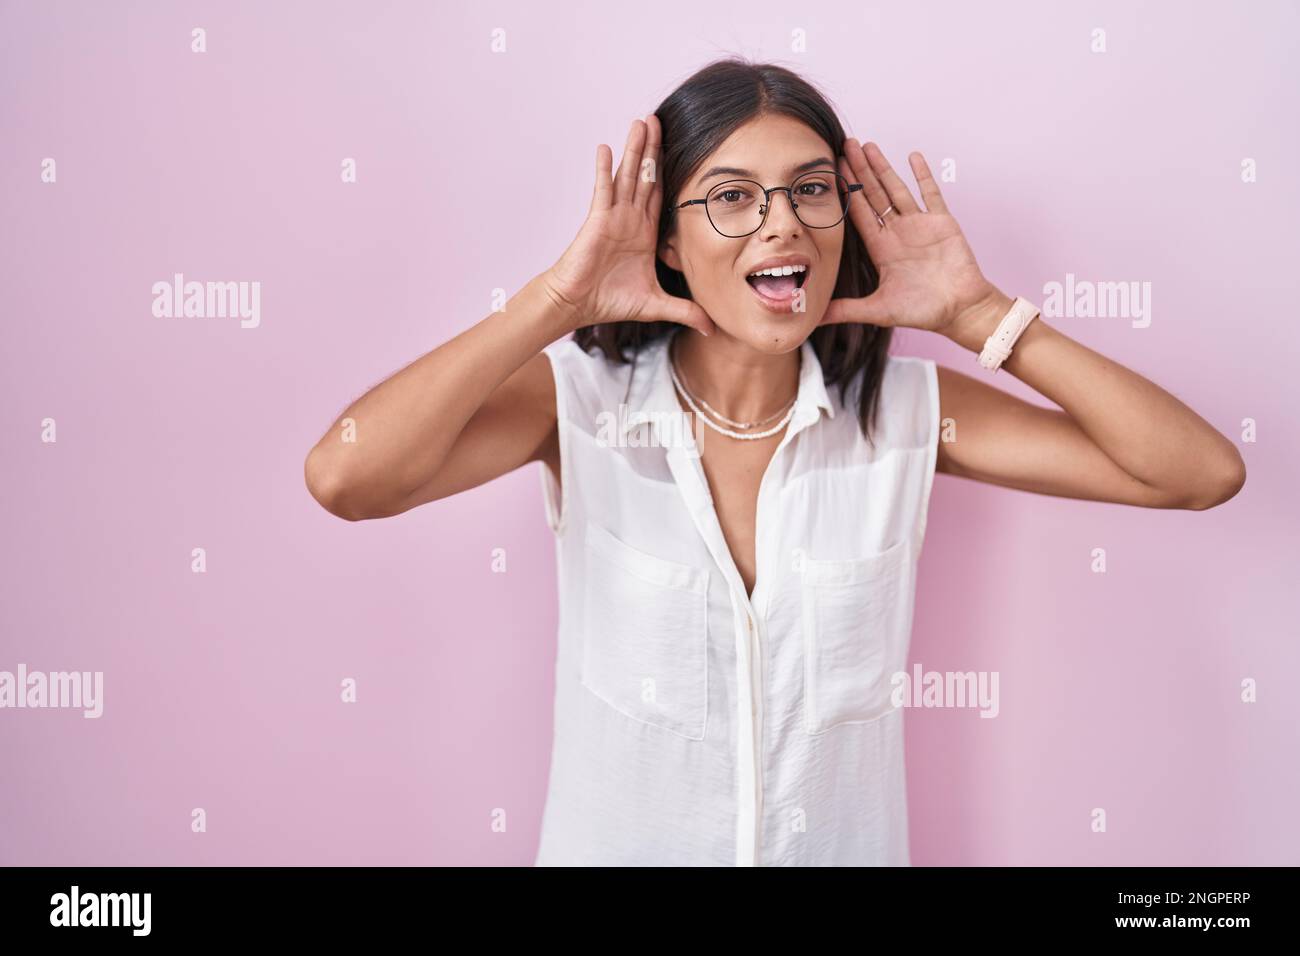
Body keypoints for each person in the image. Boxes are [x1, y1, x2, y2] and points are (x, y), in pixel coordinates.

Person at [303, 59, 1245, 866]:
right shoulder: (579, 407)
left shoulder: (908, 416)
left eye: (809, 188)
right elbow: (347, 476)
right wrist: (558, 298)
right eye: (731, 197)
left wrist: (978, 318)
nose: (782, 223)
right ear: (667, 240)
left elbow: (1197, 472)